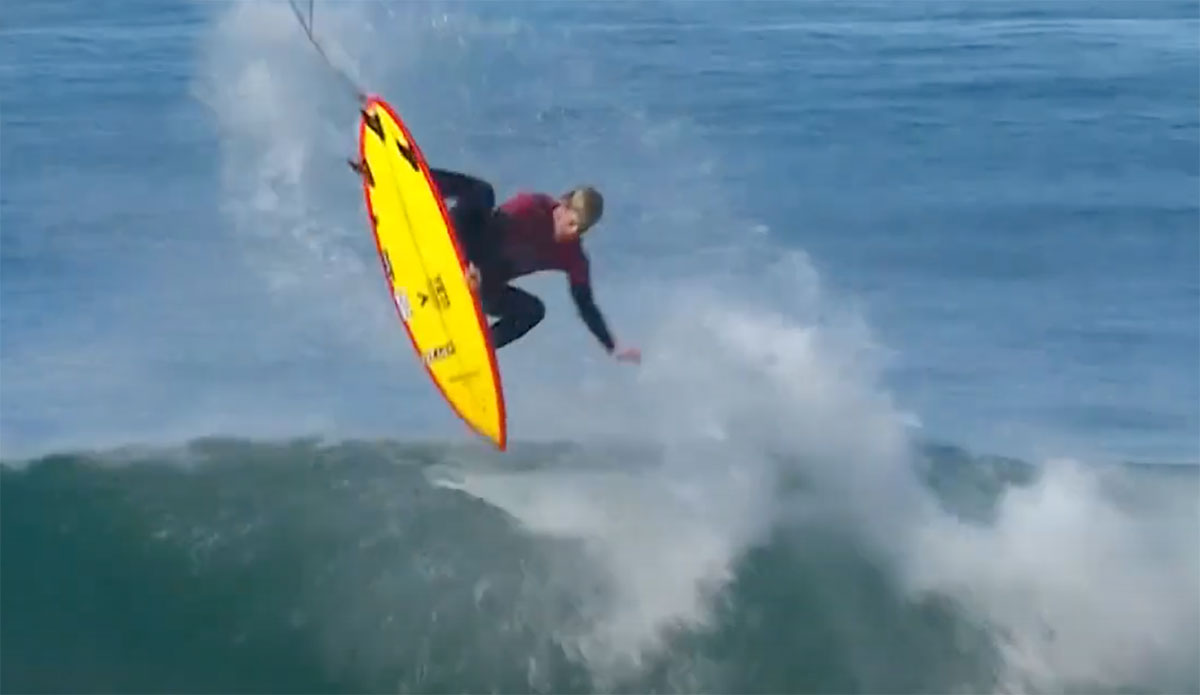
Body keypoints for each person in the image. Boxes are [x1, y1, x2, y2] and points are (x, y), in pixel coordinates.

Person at [428, 168, 640, 363]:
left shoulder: (574, 256)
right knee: (483, 192)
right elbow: (489, 233)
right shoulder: (533, 206)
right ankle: (421, 176)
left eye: (582, 229)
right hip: (463, 243)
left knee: (533, 311)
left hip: (483, 286)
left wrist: (613, 346)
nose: (574, 232)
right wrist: (469, 263)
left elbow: (586, 305)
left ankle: (473, 348)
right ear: (562, 207)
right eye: (572, 224)